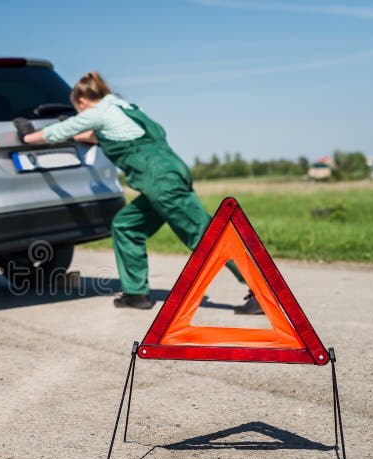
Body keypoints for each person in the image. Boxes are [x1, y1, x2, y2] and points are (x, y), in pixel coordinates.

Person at [19, 72, 261, 314]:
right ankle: (136, 293)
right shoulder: (124, 107)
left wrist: (27, 135)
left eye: (77, 110)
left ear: (81, 102)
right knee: (127, 226)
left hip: (162, 183)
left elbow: (58, 132)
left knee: (205, 237)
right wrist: (76, 131)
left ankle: (262, 290)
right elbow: (98, 136)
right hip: (165, 178)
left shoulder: (98, 112)